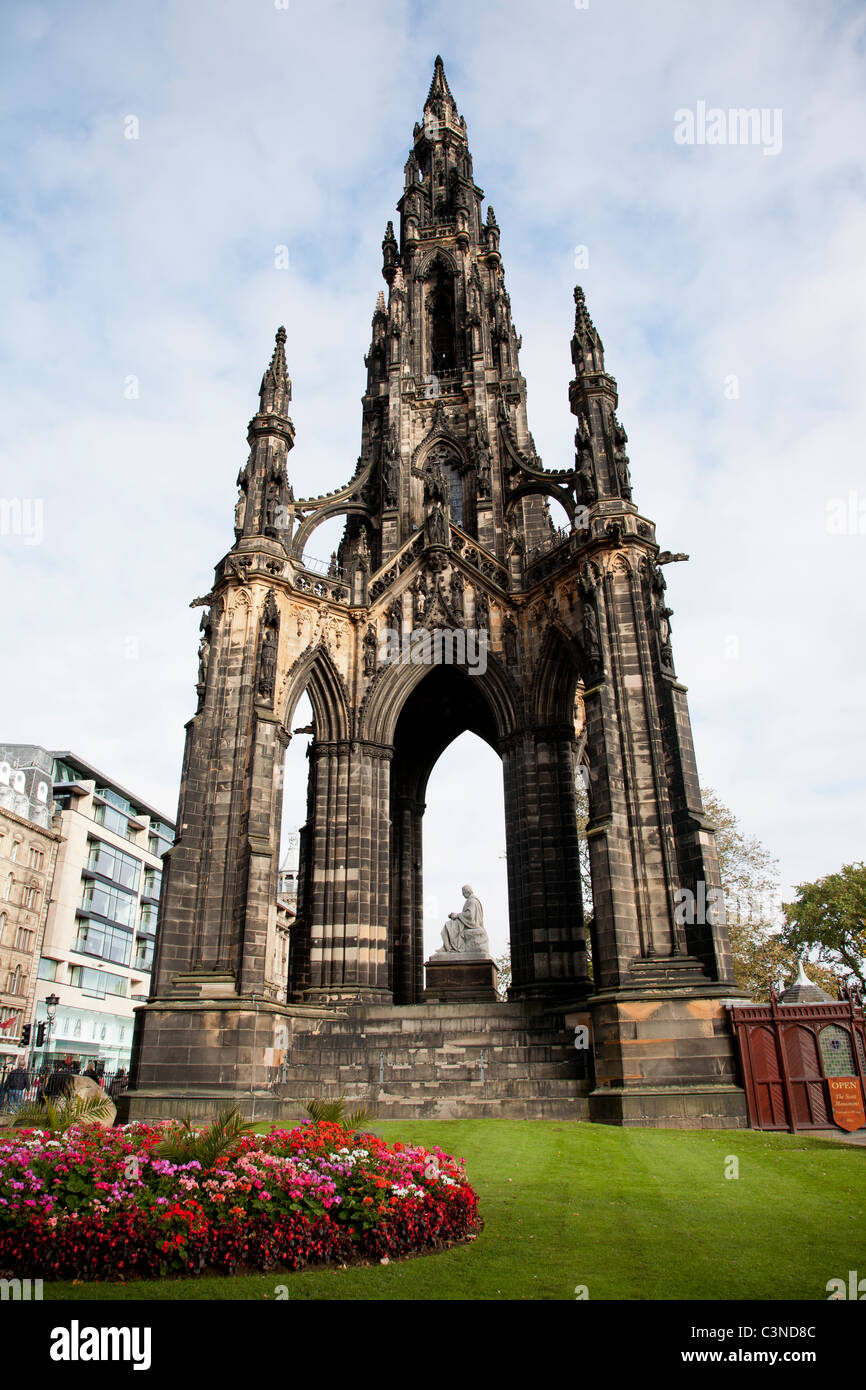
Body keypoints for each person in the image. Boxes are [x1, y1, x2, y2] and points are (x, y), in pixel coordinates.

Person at [440, 885, 490, 956]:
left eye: (463, 892)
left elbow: (470, 915)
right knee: (449, 925)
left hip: (471, 924)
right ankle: (446, 946)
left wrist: (457, 915)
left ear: (467, 891)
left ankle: (448, 947)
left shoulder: (473, 901)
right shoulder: (470, 900)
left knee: (448, 925)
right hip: (466, 922)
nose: (463, 894)